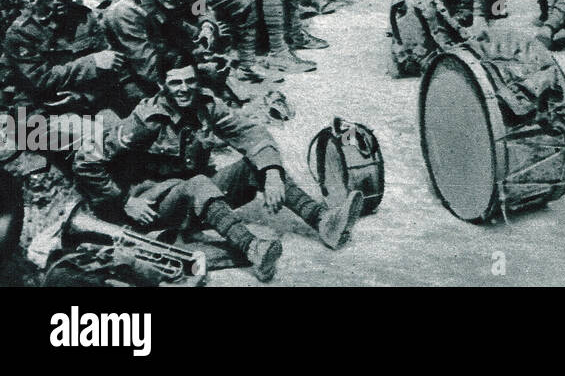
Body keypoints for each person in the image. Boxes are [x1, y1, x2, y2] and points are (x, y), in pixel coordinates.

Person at [73, 64, 364, 283]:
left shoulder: (207, 105)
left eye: (190, 81)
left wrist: (272, 170)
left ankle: (323, 220)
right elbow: (85, 160)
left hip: (197, 196)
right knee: (198, 183)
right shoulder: (145, 119)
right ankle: (252, 249)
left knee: (253, 166)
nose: (184, 89)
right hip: (155, 206)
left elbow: (250, 133)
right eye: (175, 83)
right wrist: (125, 200)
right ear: (162, 85)